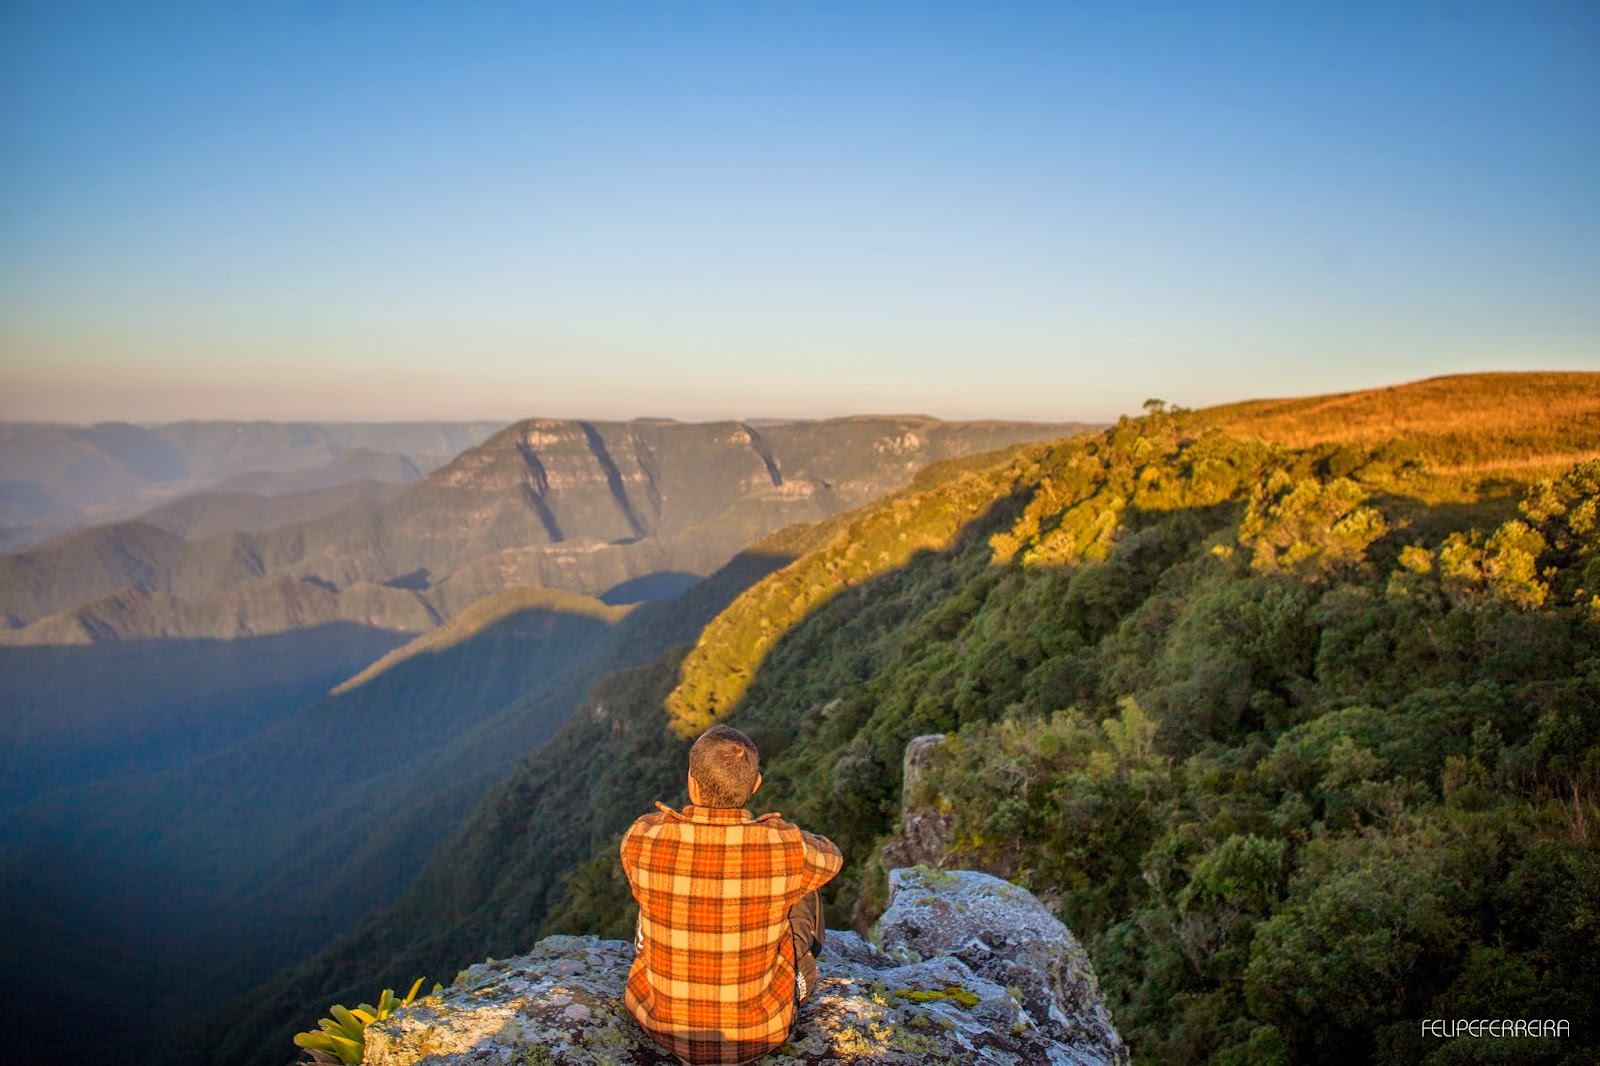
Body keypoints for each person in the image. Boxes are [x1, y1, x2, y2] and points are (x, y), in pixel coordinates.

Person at [620, 724, 843, 1065]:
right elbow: (833, 858)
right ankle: (797, 977)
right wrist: (778, 833)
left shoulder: (643, 836)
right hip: (762, 1031)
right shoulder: (786, 848)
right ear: (755, 785)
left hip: (659, 1024)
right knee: (805, 886)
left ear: (691, 782)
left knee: (655, 888)